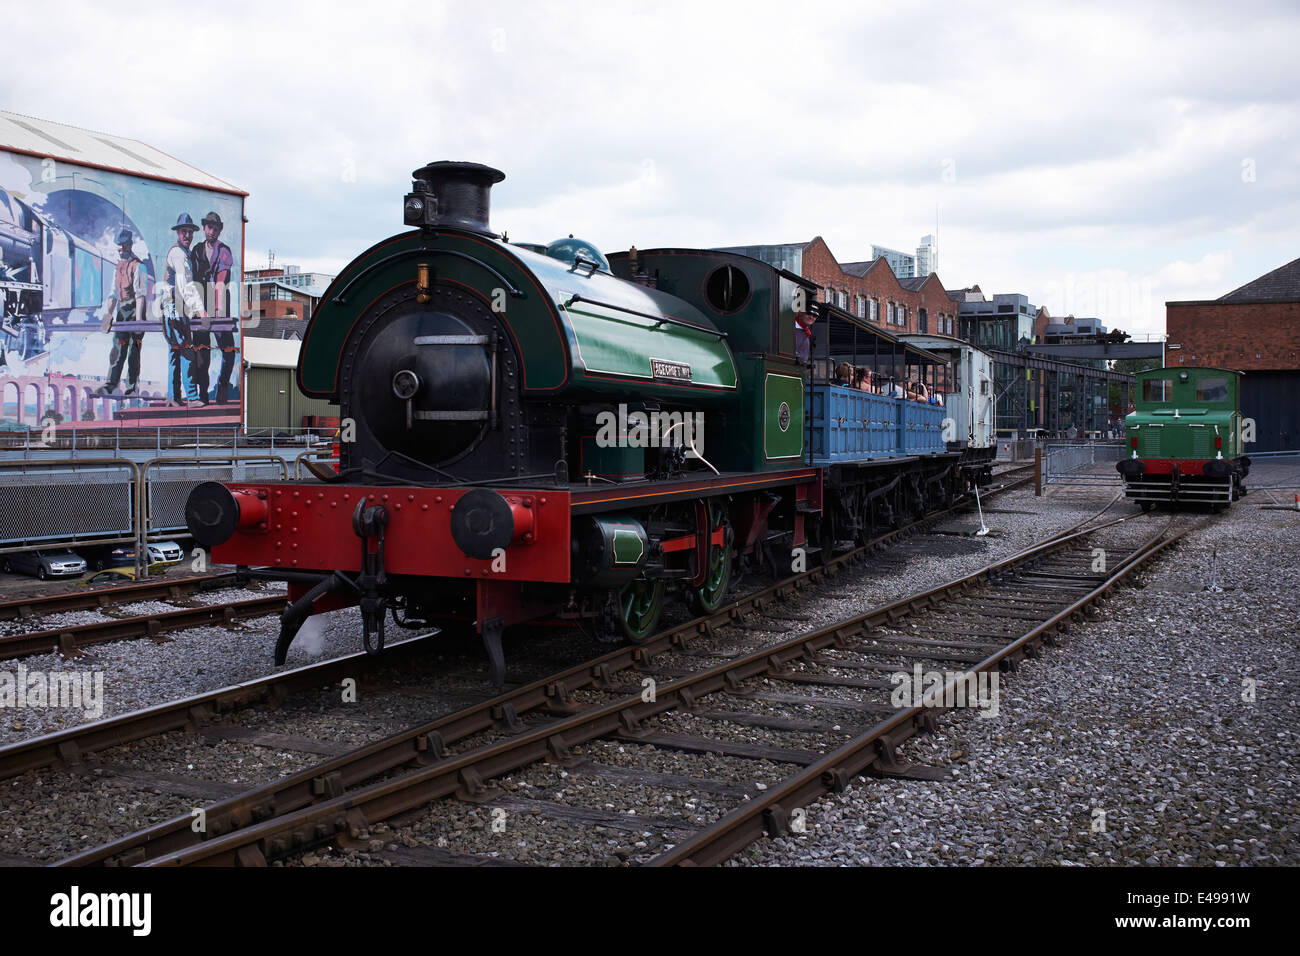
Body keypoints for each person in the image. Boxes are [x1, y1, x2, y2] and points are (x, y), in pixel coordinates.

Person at [160, 213, 206, 407]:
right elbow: (186, 285)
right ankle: (192, 398)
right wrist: (201, 311)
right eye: (183, 232)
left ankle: (172, 395)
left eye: (189, 232)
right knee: (186, 350)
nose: (187, 235)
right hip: (175, 308)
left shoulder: (178, 252)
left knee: (174, 350)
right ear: (178, 234)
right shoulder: (179, 254)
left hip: (168, 307)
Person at [190, 211, 236, 404]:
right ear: (204, 228)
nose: (212, 231)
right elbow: (191, 280)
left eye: (216, 228)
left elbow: (220, 282)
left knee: (228, 348)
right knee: (201, 349)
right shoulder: (196, 250)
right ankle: (203, 392)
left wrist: (216, 312)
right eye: (209, 227)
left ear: (219, 230)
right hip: (200, 302)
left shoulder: (224, 251)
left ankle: (222, 386)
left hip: (219, 302)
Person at [96, 229, 148, 397]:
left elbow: (140, 295)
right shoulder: (117, 266)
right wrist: (108, 315)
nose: (120, 250)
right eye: (118, 247)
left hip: (135, 309)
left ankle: (132, 387)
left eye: (122, 247)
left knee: (134, 350)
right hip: (122, 309)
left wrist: (139, 321)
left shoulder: (138, 266)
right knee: (118, 348)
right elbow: (113, 294)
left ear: (128, 246)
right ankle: (111, 384)